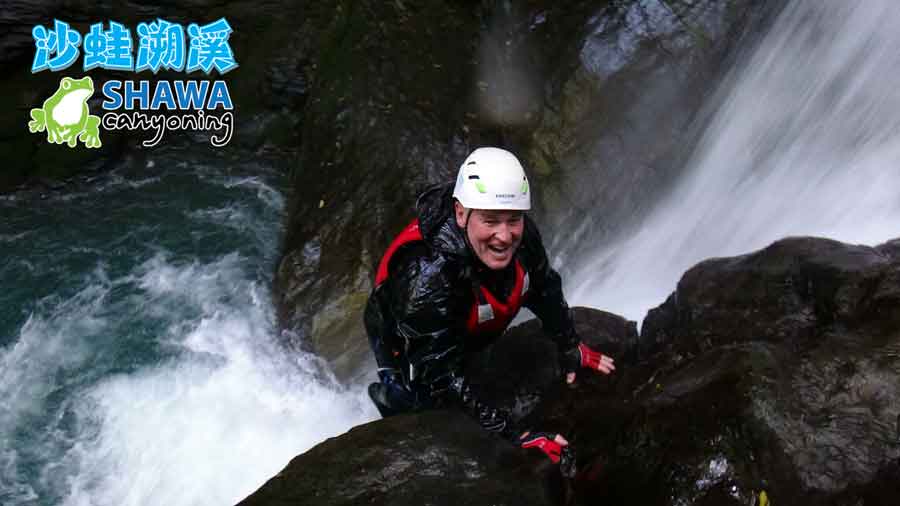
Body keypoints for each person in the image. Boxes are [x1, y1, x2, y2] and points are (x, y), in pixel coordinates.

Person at [364, 146, 615, 464]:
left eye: (513, 220)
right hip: (400, 330)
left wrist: (570, 345)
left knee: (472, 347)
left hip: (459, 316)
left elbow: (544, 287)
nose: (504, 235)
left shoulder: (522, 237)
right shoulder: (429, 277)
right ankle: (388, 391)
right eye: (490, 221)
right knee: (420, 405)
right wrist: (515, 437)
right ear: (460, 213)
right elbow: (441, 377)